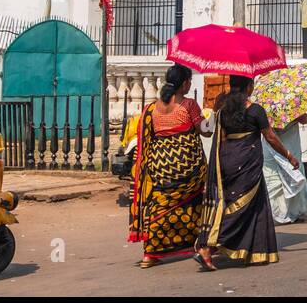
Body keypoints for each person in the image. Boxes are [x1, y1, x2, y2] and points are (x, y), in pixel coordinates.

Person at [196, 76, 296, 270]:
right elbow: (270, 137)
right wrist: (289, 155)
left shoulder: (222, 110)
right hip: (247, 162)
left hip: (226, 161)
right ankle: (208, 246)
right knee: (241, 207)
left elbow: (218, 136)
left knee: (241, 204)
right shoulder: (256, 110)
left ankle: (253, 251)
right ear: (249, 87)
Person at [127, 65, 206, 267]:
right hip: (188, 167)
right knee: (197, 202)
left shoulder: (151, 108)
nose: (190, 84)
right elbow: (205, 131)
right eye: (189, 81)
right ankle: (200, 243)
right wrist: (212, 118)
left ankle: (149, 254)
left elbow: (146, 140)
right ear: (185, 84)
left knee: (159, 207)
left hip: (160, 168)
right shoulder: (189, 105)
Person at [262, 113, 307, 224]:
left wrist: (291, 115)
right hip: (273, 147)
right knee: (273, 180)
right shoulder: (264, 110)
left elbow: (305, 119)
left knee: (294, 177)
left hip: (290, 145)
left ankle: (293, 213)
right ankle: (273, 215)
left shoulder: (292, 105)